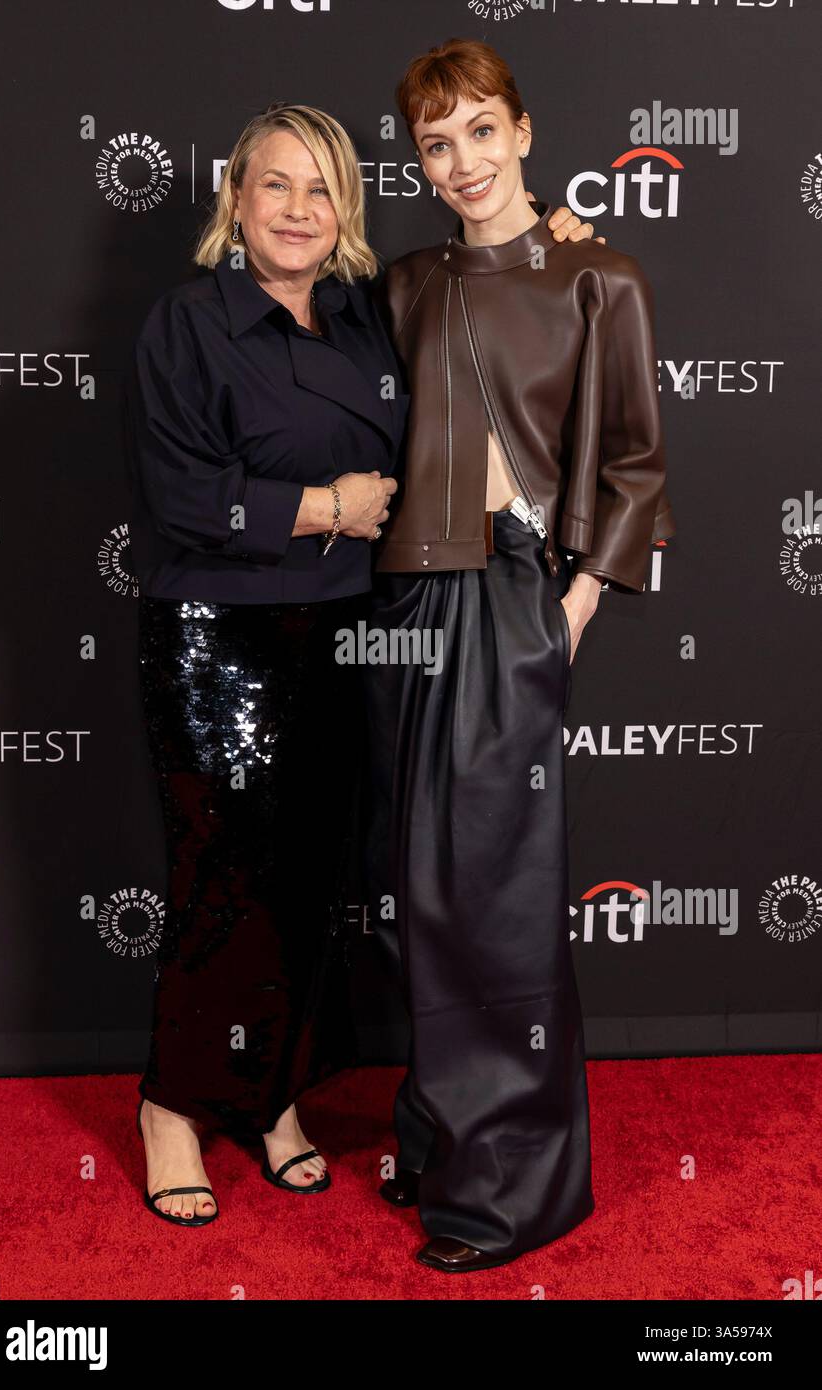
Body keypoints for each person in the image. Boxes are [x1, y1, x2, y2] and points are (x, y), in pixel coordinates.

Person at [365, 39, 676, 1272]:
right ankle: (437, 1138)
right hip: (401, 600)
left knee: (494, 899)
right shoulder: (402, 283)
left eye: (480, 132)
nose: (461, 162)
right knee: (419, 895)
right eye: (436, 145)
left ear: (523, 132)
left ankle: (511, 1188)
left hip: (510, 596)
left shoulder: (599, 276)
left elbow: (635, 463)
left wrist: (578, 603)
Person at [124, 102, 404, 1224]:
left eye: (320, 189)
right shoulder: (186, 322)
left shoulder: (362, 319)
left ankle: (276, 1097)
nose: (298, 210)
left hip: (340, 632)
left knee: (307, 886)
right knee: (217, 883)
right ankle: (173, 1108)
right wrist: (326, 505)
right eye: (275, 186)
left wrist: (559, 235)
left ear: (345, 210)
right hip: (217, 638)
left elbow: (483, 293)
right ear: (234, 200)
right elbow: (186, 499)